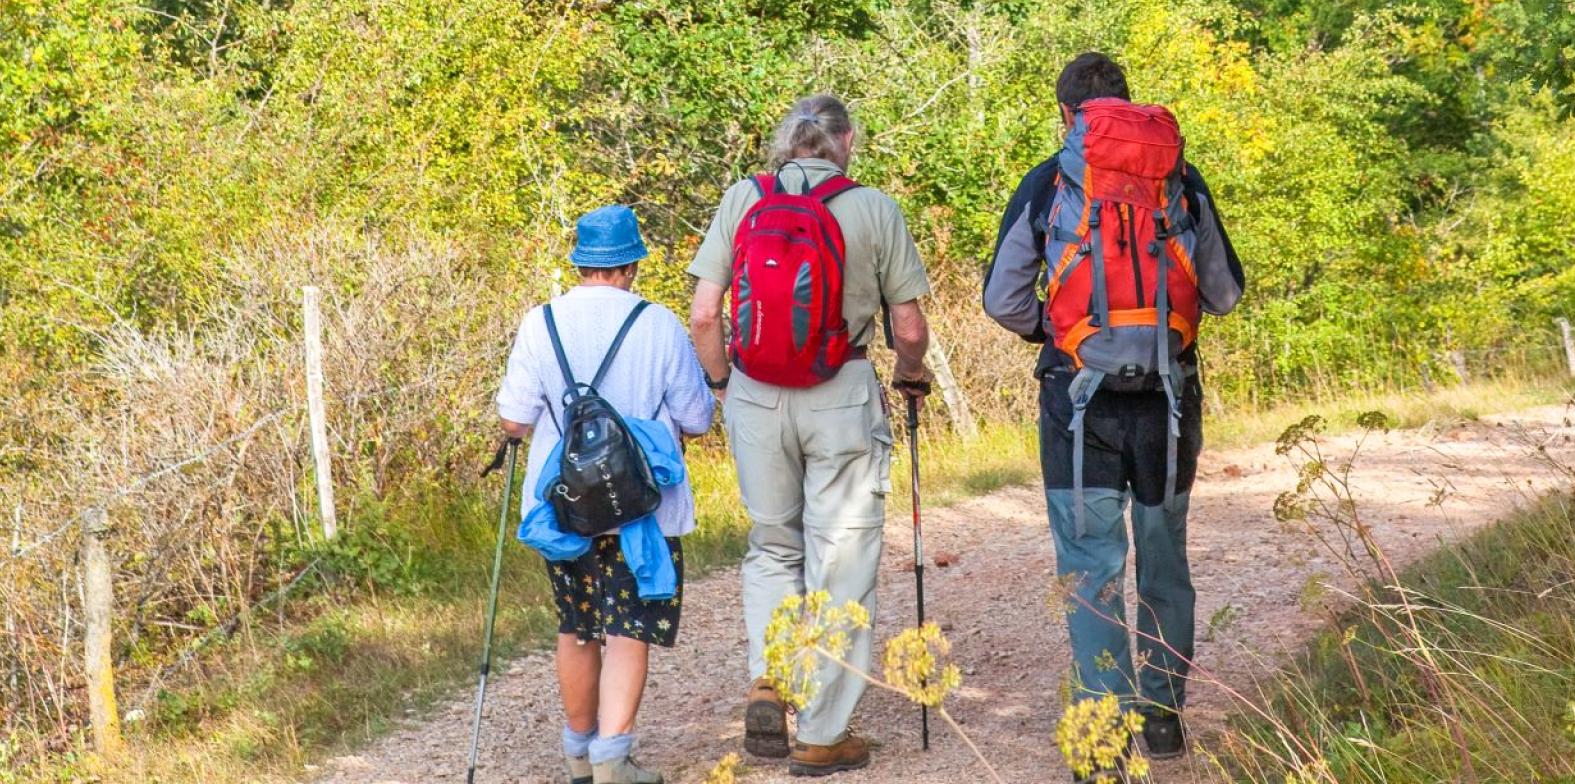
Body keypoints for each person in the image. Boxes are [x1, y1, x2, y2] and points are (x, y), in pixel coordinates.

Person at [982, 53, 1244, 768]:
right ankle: (1162, 715)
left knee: (1091, 567)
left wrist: (1063, 329)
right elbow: (1223, 293)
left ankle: (1100, 741)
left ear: (1067, 116)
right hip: (1169, 398)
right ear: (1129, 105)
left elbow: (1001, 298)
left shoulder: (1049, 182)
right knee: (1162, 555)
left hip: (1077, 402)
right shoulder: (1180, 179)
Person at [687, 94, 934, 776]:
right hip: (841, 391)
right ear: (845, 140)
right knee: (842, 558)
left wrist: (720, 384)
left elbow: (706, 313)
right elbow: (908, 329)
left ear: (786, 142)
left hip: (756, 394)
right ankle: (823, 734)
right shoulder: (873, 207)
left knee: (772, 545)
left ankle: (771, 678)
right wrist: (911, 375)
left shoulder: (745, 197)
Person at [497, 205, 716, 784]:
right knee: (627, 631)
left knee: (576, 626)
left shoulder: (539, 322)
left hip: (565, 508)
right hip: (641, 512)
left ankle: (578, 756)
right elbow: (696, 418)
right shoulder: (659, 324)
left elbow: (514, 421)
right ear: (633, 263)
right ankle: (613, 761)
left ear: (580, 262)